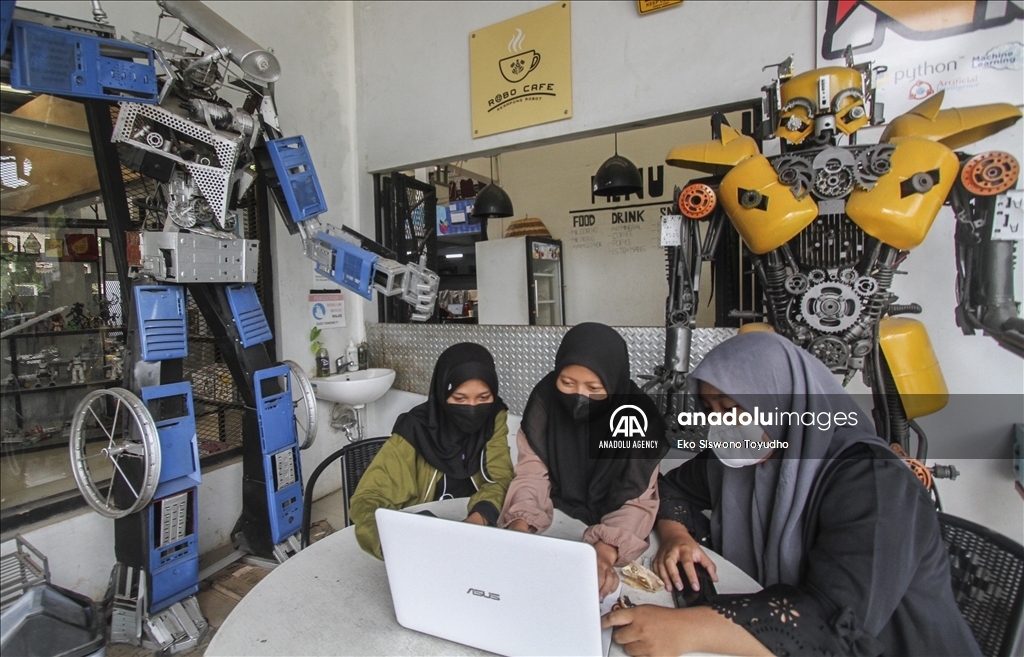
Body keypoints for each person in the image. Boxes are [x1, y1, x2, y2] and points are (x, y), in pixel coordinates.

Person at [603, 331, 980, 656]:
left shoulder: (875, 483)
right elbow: (673, 488)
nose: (722, 424)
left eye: (734, 408)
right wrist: (676, 535)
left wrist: (683, 628)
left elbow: (834, 626)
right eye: (709, 410)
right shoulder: (741, 459)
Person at [499, 322, 668, 598]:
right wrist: (519, 525)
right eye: (567, 383)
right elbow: (532, 473)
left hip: (618, 517)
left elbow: (638, 498)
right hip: (559, 510)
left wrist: (605, 551)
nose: (580, 396)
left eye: (594, 387)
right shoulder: (546, 399)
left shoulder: (639, 416)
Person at [350, 342, 514, 559]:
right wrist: (395, 545)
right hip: (422, 541)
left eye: (483, 398)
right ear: (442, 394)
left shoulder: (493, 419)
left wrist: (477, 519)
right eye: (459, 398)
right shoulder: (416, 429)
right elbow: (368, 498)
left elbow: (502, 479)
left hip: (478, 536)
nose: (473, 408)